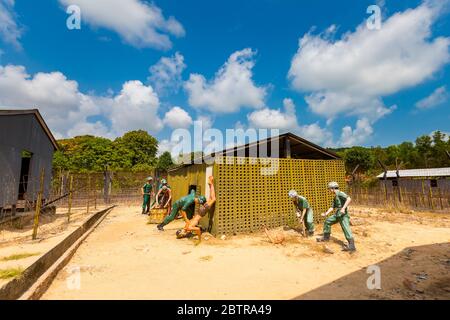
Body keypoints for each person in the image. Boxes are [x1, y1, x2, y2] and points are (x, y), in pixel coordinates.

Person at [317, 181, 356, 252]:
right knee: (327, 221)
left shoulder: (340, 193)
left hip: (343, 215)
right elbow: (332, 207)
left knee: (346, 228)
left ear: (332, 188)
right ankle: (326, 237)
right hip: (337, 214)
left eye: (329, 189)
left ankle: (352, 246)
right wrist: (326, 213)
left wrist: (343, 208)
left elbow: (349, 199)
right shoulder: (335, 197)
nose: (329, 190)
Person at [177, 176, 216, 243]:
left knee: (213, 199)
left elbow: (198, 229)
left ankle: (211, 183)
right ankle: (210, 184)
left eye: (182, 235)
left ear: (182, 231)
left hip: (202, 212)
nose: (184, 235)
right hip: (200, 211)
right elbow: (191, 222)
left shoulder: (188, 228)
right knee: (210, 198)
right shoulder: (186, 226)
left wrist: (199, 239)